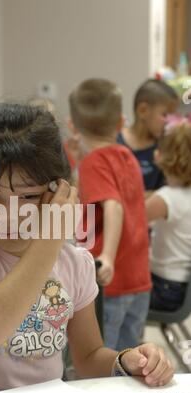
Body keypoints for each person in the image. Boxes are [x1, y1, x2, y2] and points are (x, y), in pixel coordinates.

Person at [0, 103, 173, 393]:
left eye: (28, 196)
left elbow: (88, 356)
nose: (8, 214)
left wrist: (125, 361)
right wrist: (52, 235)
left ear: (60, 193)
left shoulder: (74, 263)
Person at [68, 78, 152, 351]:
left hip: (109, 284)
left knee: (101, 363)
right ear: (120, 123)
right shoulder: (127, 157)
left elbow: (113, 206)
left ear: (72, 125)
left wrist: (107, 256)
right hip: (138, 281)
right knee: (129, 363)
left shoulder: (94, 163)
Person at [146, 120, 191, 311]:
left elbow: (132, 218)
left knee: (108, 295)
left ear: (160, 156)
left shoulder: (166, 198)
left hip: (163, 288)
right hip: (180, 287)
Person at [117, 79, 179, 196]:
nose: (168, 121)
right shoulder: (114, 142)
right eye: (164, 114)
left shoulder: (164, 150)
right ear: (143, 111)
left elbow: (167, 195)